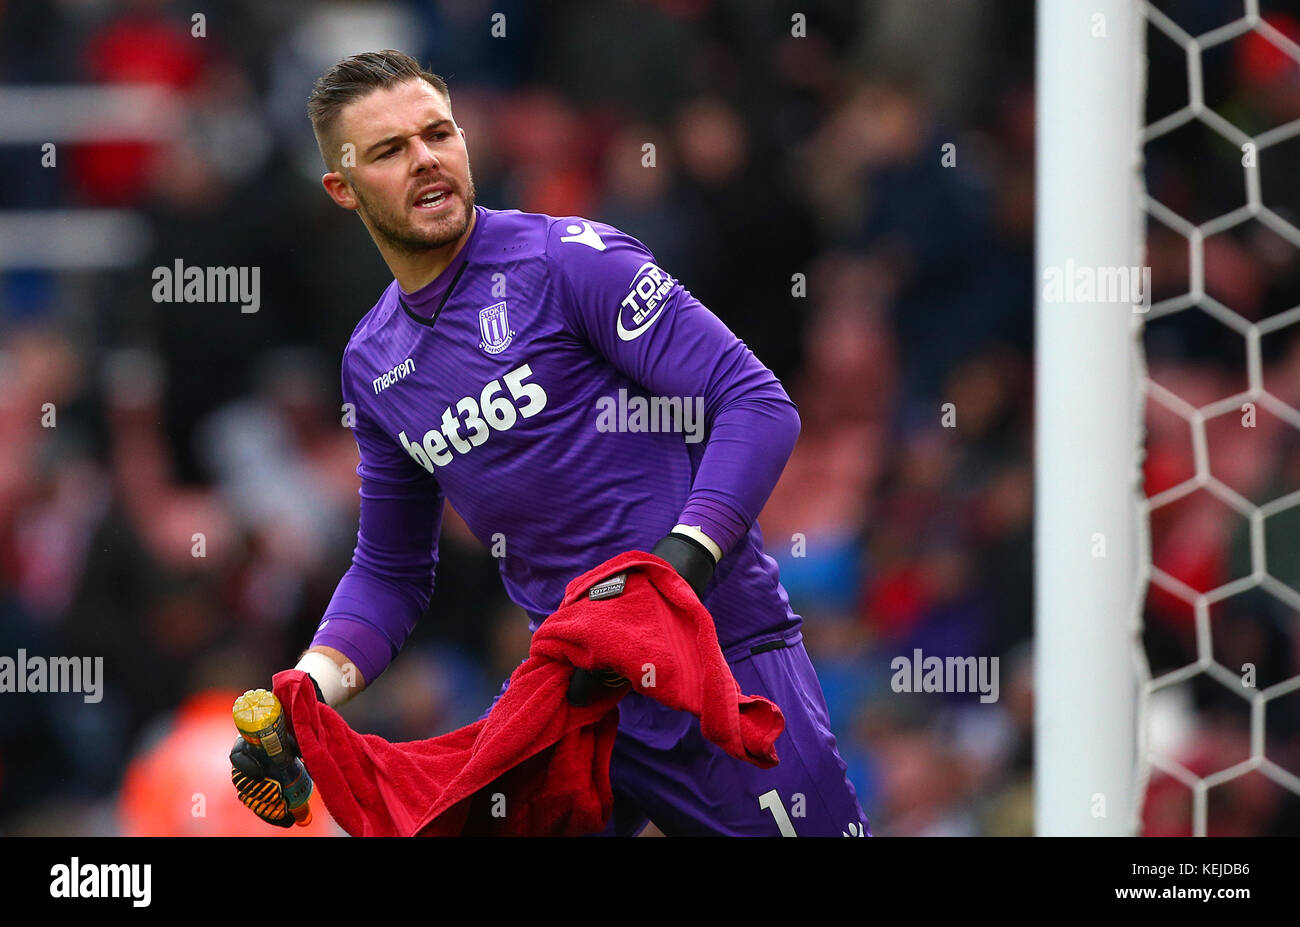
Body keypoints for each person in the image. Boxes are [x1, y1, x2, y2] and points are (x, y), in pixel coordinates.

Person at [231, 49, 868, 837]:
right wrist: (305, 693)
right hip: (577, 704)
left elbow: (755, 401)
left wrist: (676, 568)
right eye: (392, 150)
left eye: (439, 133)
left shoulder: (567, 262)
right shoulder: (373, 362)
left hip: (718, 659)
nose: (426, 158)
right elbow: (390, 569)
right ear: (342, 186)